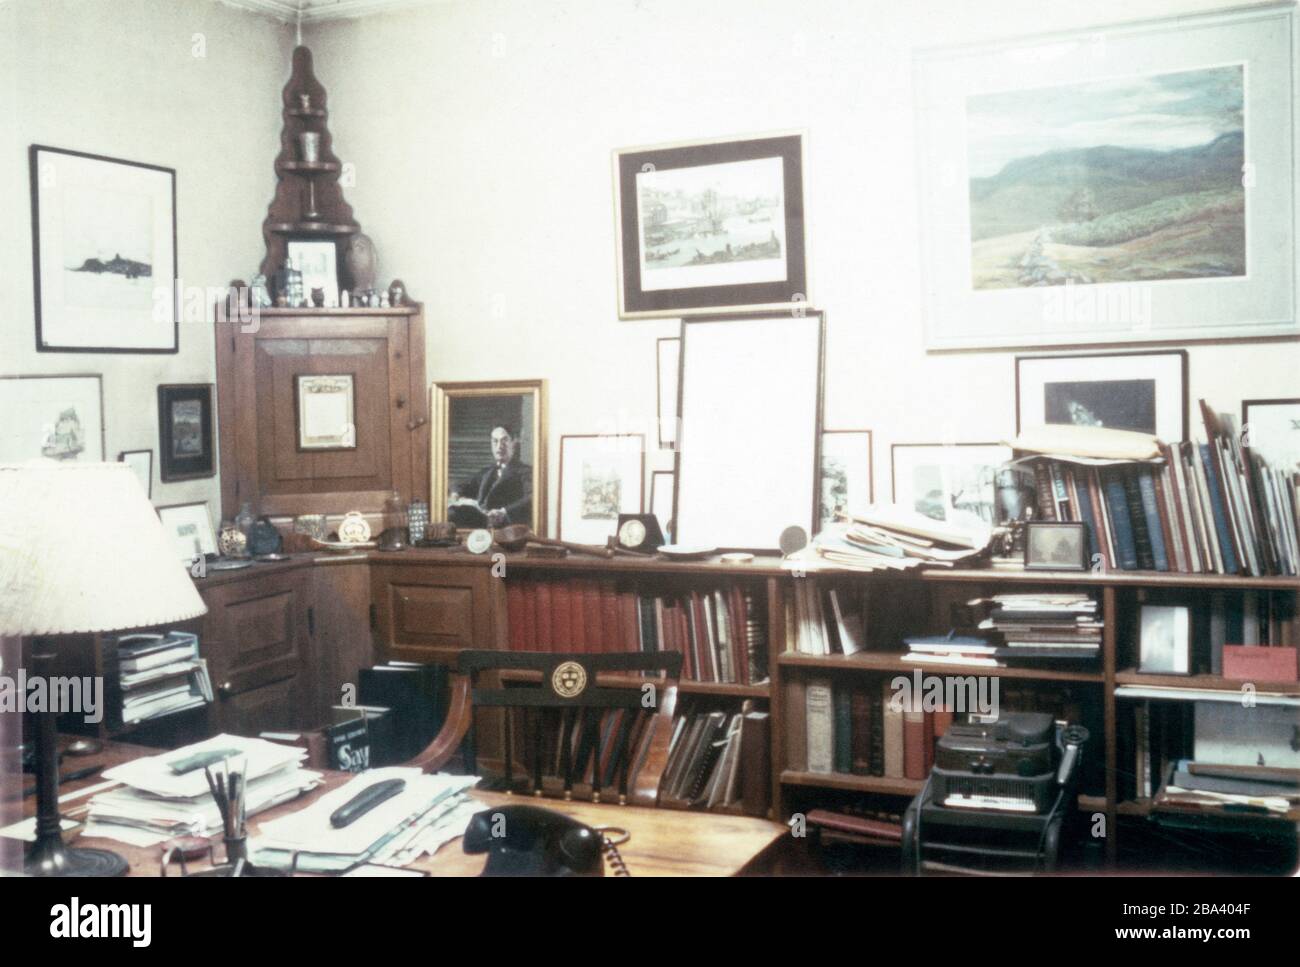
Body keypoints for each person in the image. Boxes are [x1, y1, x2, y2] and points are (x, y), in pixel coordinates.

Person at [449, 424, 532, 528]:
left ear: (513, 443)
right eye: (495, 441)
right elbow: (465, 486)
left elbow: (531, 498)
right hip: (480, 527)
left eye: (504, 441)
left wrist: (504, 512)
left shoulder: (525, 471)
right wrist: (455, 493)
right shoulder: (487, 472)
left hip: (506, 529)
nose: (499, 446)